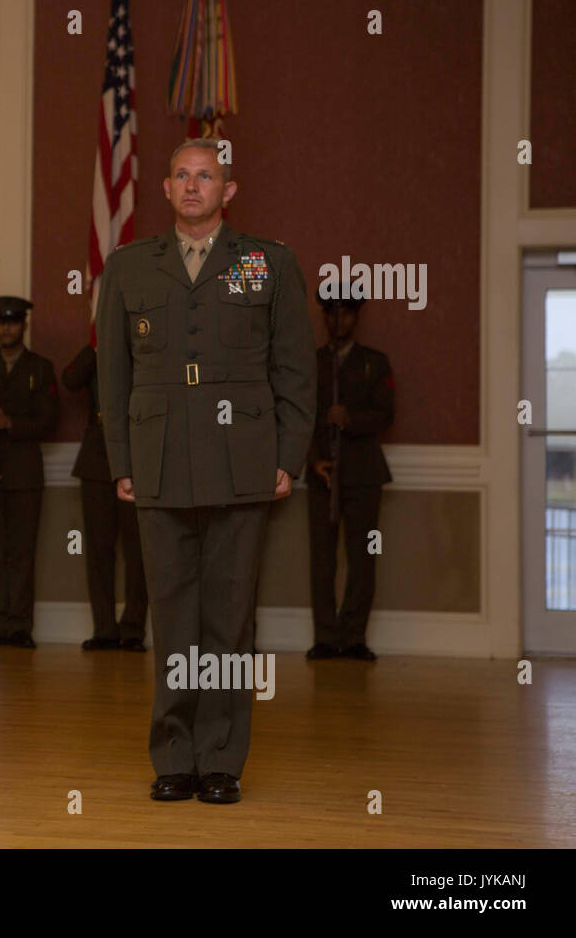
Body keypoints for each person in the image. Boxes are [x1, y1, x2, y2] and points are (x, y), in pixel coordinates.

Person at [97, 138, 315, 805]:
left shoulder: (268, 263)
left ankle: (220, 759)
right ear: (165, 188)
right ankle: (174, 757)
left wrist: (287, 457)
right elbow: (113, 378)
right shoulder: (129, 266)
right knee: (171, 618)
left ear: (229, 190)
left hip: (240, 460)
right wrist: (122, 462)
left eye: (207, 176)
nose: (193, 186)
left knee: (228, 619)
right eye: (182, 176)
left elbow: (295, 370)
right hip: (158, 460)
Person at [305, 286, 393, 662]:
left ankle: (354, 636)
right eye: (331, 313)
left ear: (356, 317)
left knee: (363, 558)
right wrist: (313, 460)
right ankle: (325, 637)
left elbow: (386, 414)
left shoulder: (375, 363)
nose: (337, 320)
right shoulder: (311, 363)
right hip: (322, 475)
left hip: (364, 475)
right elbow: (301, 417)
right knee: (322, 560)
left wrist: (350, 419)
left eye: (345, 313)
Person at [0, 296, 58, 648]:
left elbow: (50, 422)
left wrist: (10, 423)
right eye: (2, 322)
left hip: (24, 476)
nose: (7, 328)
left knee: (22, 552)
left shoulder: (40, 368)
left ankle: (19, 626)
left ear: (24, 325)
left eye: (13, 322)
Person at [62, 342, 149, 651]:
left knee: (138, 551)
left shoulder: (144, 346)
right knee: (98, 550)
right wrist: (96, 345)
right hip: (97, 457)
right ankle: (104, 629)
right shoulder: (96, 351)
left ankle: (133, 629)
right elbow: (70, 380)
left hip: (138, 453)